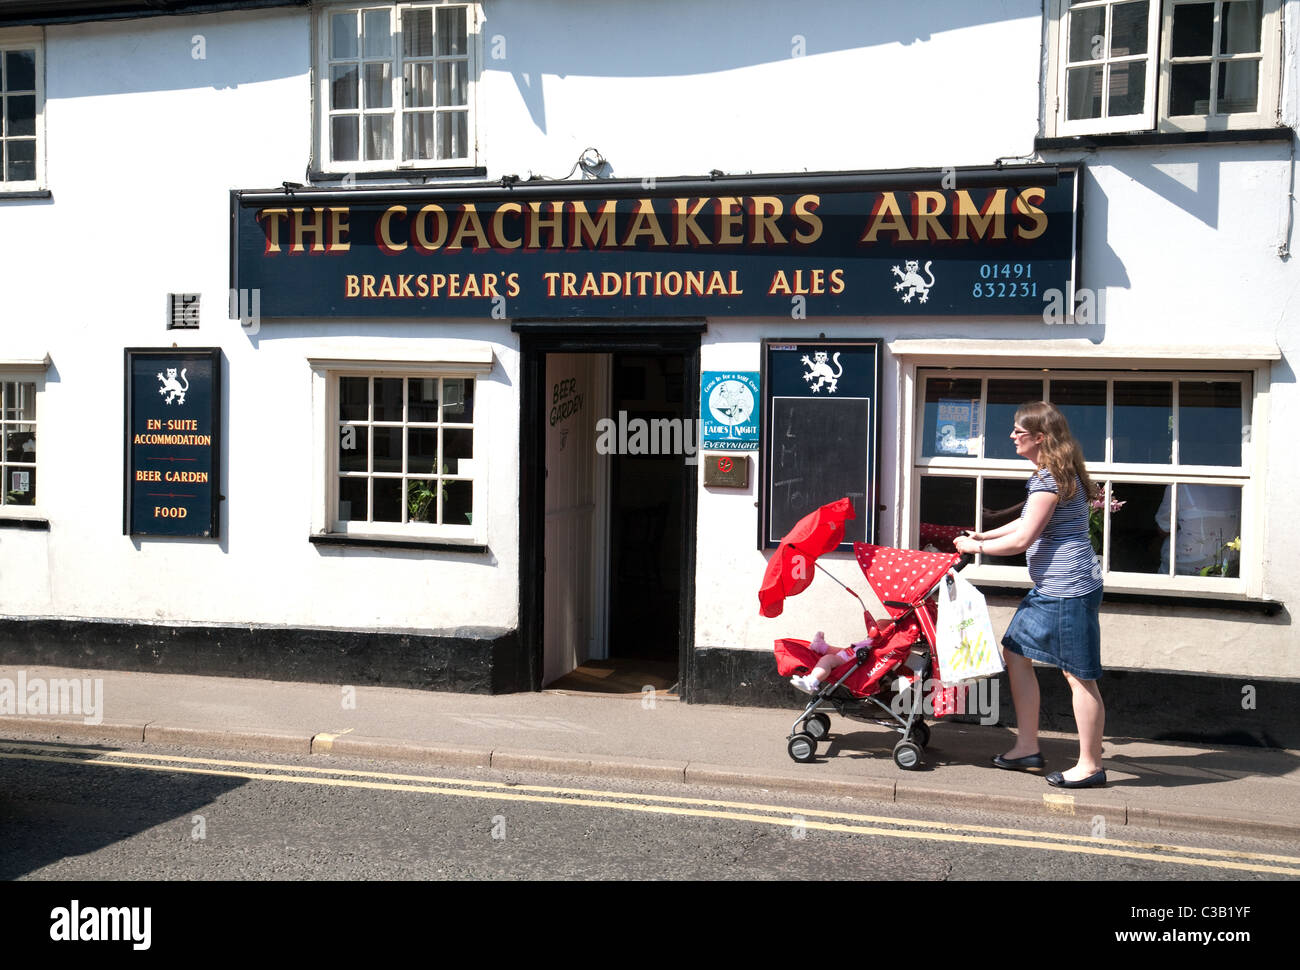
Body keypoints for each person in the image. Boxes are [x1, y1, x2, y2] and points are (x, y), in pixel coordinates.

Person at [953, 401, 1106, 789]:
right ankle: (1026, 747)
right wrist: (984, 535)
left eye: (1019, 431)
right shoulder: (1053, 474)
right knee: (1016, 654)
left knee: (1078, 676)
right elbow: (1026, 520)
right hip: (1051, 589)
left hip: (1066, 590)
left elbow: (1024, 538)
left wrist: (976, 550)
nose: (1012, 436)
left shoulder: (1049, 479)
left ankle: (1090, 765)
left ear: (1040, 438)